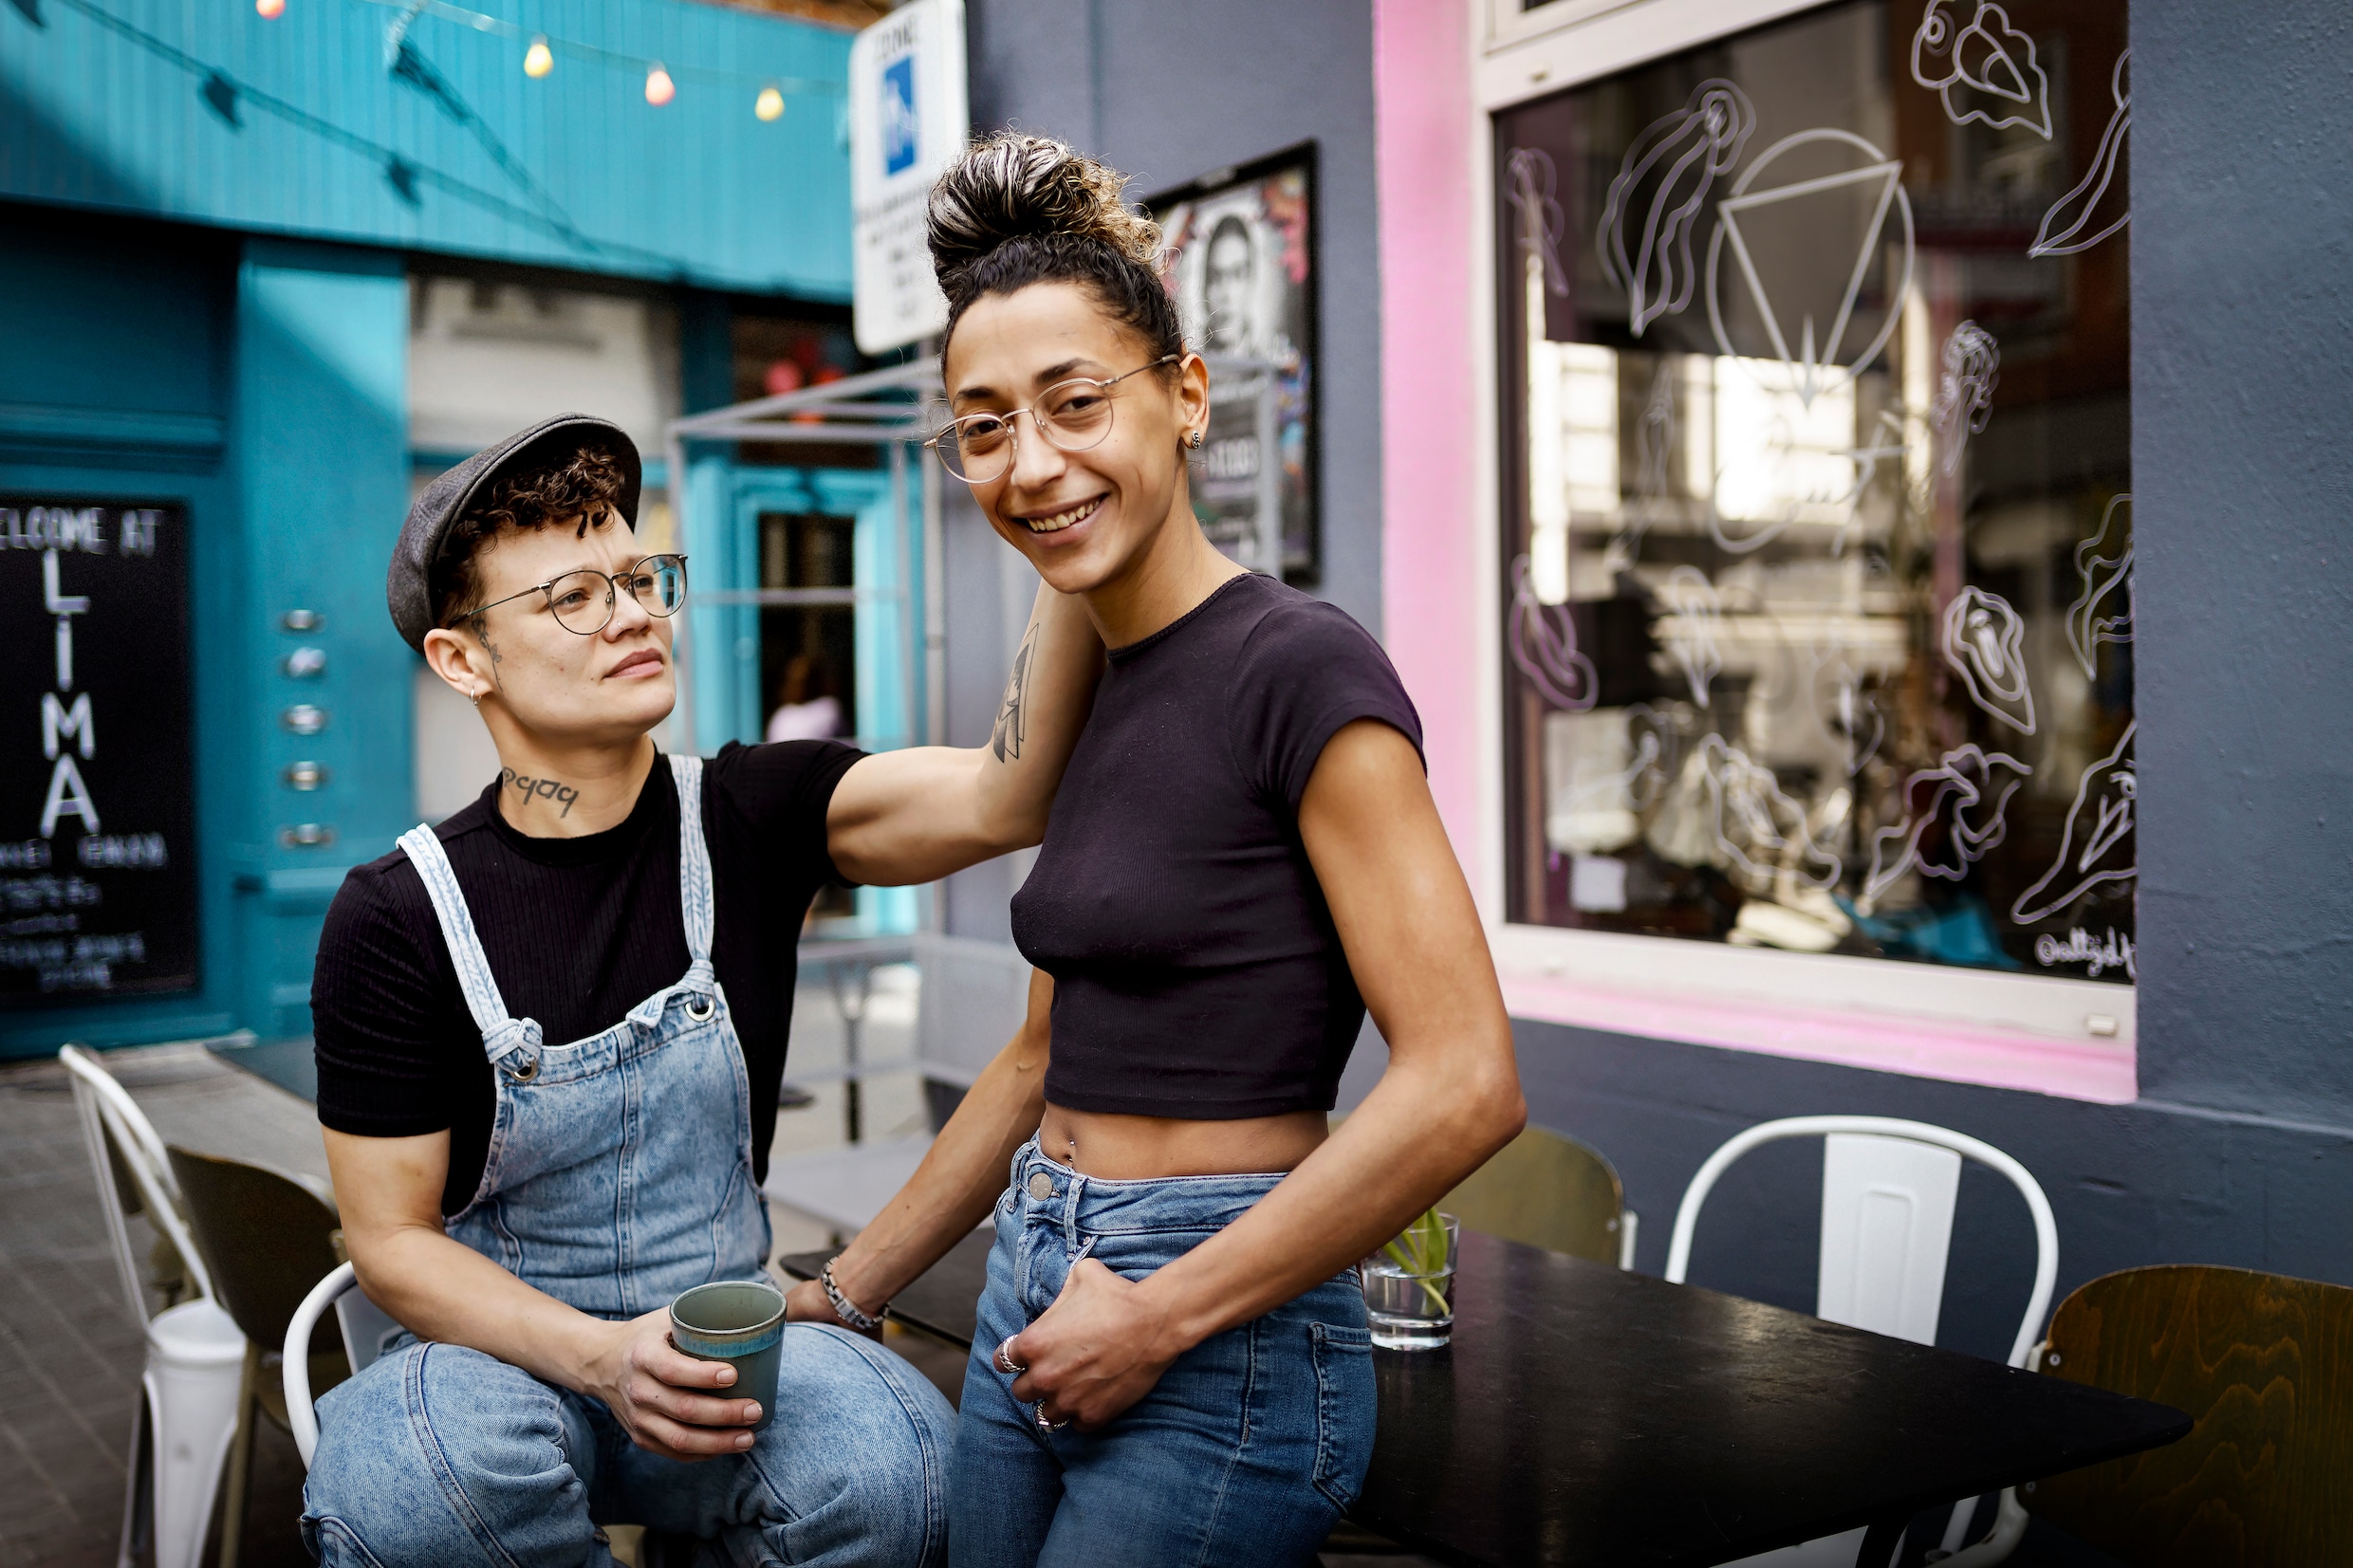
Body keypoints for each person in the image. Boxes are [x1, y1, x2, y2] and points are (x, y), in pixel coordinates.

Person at [781, 135, 1527, 1567]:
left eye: (1073, 404)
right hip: (1032, 1281)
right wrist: (851, 1284)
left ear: (1188, 396)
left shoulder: (1302, 668)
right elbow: (1038, 1062)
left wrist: (1165, 1307)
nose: (1030, 462)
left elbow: (1466, 1081)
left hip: (1219, 1331)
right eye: (983, 426)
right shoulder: (1095, 694)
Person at [301, 415, 1101, 1568]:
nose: (634, 614)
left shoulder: (751, 817)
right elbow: (389, 1242)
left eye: (640, 577)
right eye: (573, 595)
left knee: (909, 1473)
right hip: (500, 1368)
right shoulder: (397, 915)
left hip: (733, 1356)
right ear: (461, 658)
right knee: (402, 1486)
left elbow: (1002, 797)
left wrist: (1063, 519)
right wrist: (598, 1358)